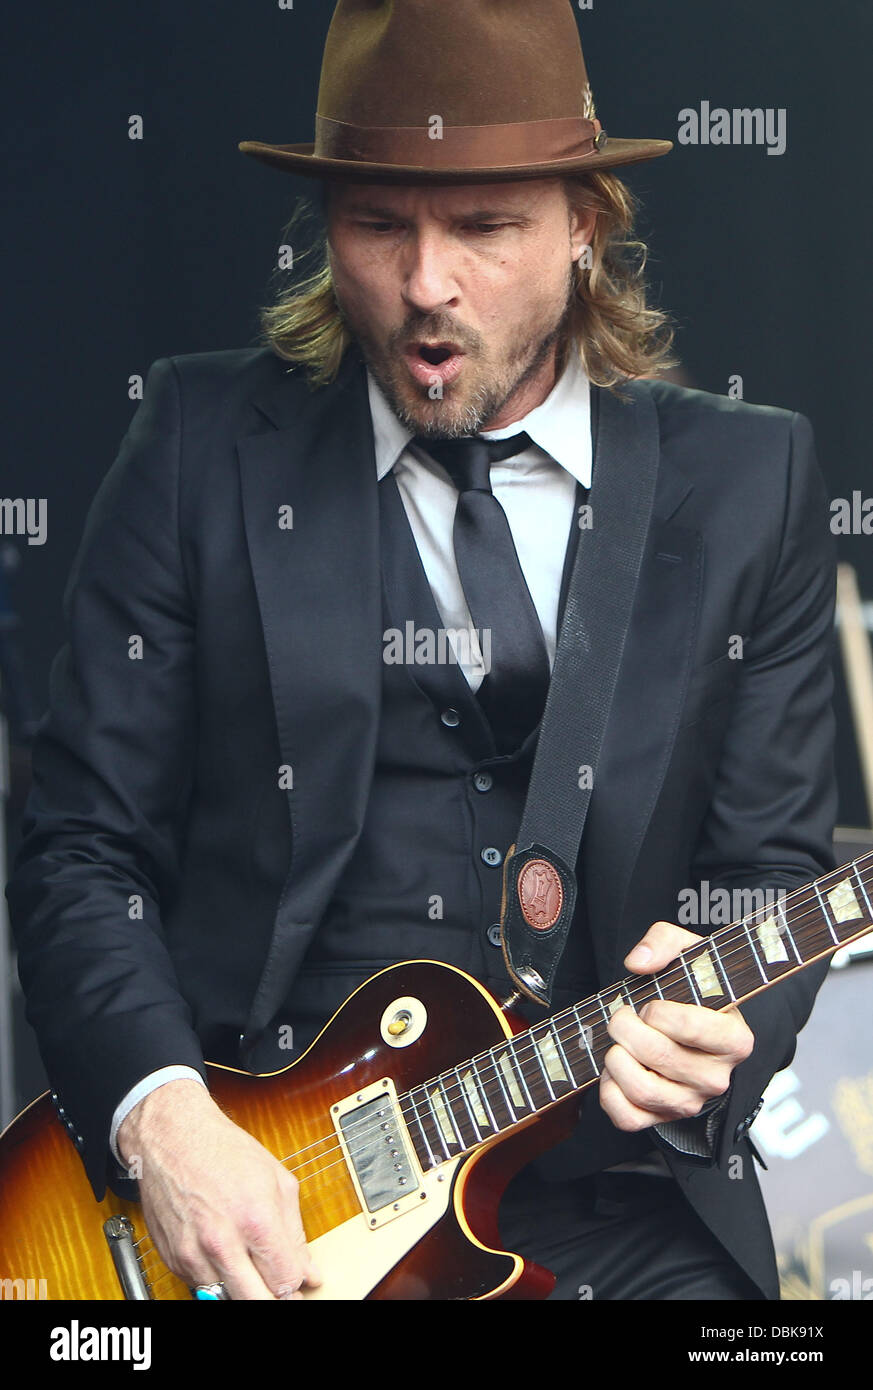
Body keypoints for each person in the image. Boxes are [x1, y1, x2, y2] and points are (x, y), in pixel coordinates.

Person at [6, 0, 837, 1301]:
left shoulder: (747, 481)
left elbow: (770, 866)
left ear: (584, 226)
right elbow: (79, 842)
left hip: (602, 1197)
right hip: (240, 1198)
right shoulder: (195, 446)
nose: (424, 283)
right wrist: (160, 1120)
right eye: (378, 223)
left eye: (485, 226)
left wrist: (714, 1036)